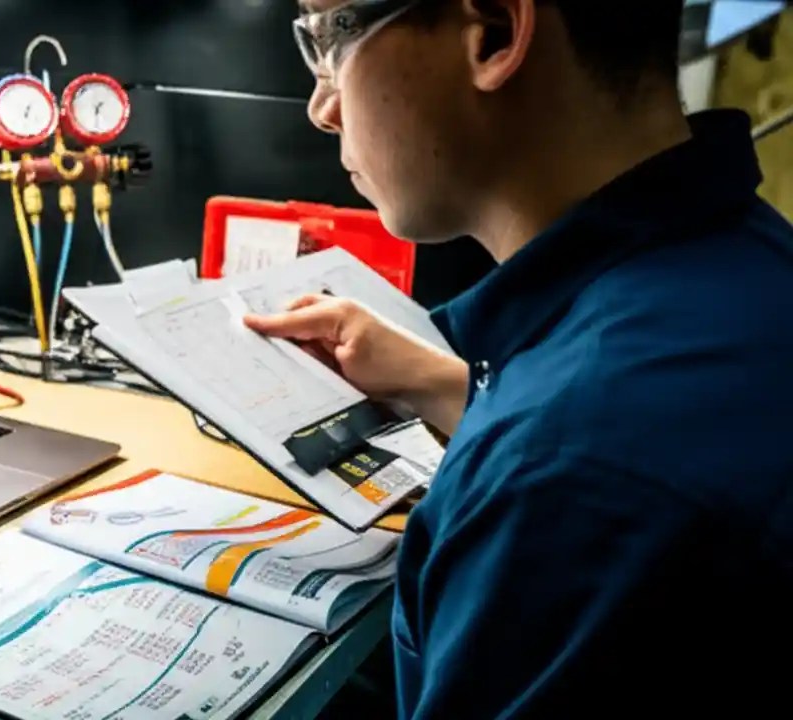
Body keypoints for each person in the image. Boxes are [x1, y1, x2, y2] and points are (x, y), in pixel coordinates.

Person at [245, 0, 793, 717]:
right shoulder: (745, 256)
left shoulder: (561, 482)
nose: (322, 105)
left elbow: (582, 466)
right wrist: (437, 381)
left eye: (334, 35)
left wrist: (520, 437)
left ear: (495, 33)